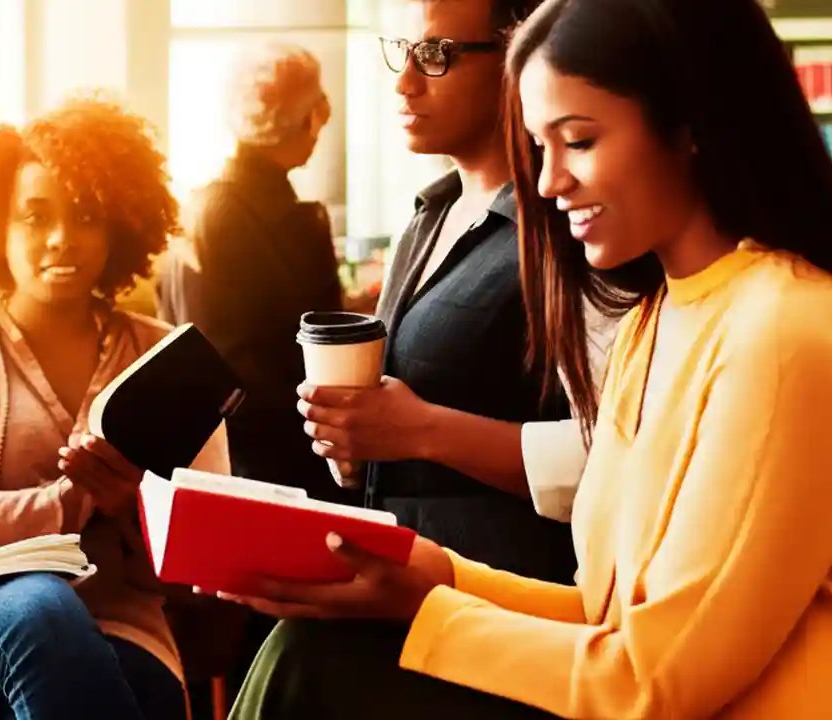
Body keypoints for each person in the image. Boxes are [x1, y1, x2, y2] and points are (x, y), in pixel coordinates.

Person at [223, 0, 832, 717]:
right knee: (311, 650)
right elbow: (606, 615)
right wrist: (439, 576)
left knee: (315, 668)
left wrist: (433, 609)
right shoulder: (653, 319)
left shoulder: (784, 334)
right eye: (538, 147)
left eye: (577, 141)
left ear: (690, 127)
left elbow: (652, 683)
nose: (548, 182)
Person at [230, 1, 585, 716]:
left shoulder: (567, 233)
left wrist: (419, 431)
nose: (405, 85)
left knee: (299, 663)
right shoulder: (428, 216)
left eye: (438, 57)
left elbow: (612, 457)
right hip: (390, 567)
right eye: (407, 54)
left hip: (496, 596)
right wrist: (352, 440)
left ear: (520, 63)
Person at [0, 96, 230, 720]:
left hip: (119, 634)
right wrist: (72, 501)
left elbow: (206, 555)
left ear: (118, 226)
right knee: (41, 609)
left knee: (107, 666)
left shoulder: (165, 356)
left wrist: (129, 511)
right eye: (34, 217)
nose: (60, 239)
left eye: (85, 216)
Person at [158, 43, 343, 502]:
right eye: (319, 105)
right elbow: (322, 350)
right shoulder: (294, 222)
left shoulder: (196, 205)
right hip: (284, 458)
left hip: (204, 450)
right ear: (307, 118)